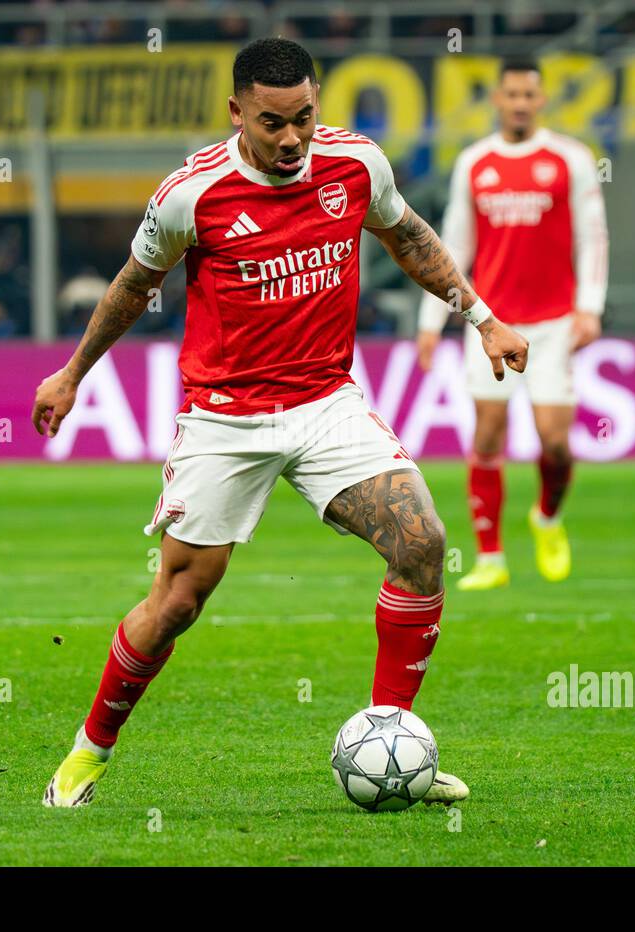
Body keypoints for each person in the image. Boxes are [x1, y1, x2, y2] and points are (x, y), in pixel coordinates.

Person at [31, 37, 529, 809]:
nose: (291, 138)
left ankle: (393, 745)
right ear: (237, 112)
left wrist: (482, 317)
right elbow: (135, 284)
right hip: (226, 418)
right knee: (180, 601)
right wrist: (71, 374)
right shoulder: (191, 194)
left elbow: (407, 235)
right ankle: (88, 753)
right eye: (272, 123)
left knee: (421, 542)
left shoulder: (357, 164)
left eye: (303, 117)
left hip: (326, 404)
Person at [416, 59, 608, 591]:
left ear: (541, 99)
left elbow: (593, 236)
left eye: (529, 94)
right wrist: (432, 320)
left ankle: (546, 517)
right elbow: (452, 246)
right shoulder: (475, 162)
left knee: (555, 442)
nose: (521, 102)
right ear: (497, 100)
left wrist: (590, 305)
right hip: (491, 323)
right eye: (512, 94)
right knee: (487, 436)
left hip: (553, 323)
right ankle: (491, 558)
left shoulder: (570, 159)